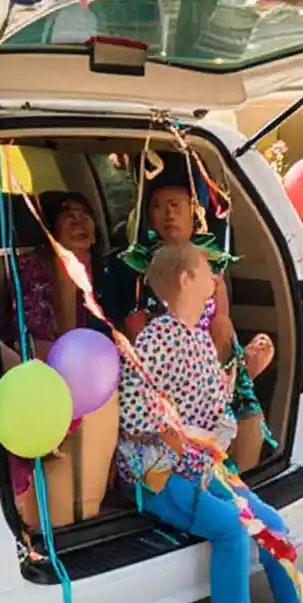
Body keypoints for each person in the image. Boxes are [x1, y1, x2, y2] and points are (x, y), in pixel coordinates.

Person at [116, 242, 303, 603]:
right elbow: (133, 412)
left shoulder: (197, 339)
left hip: (199, 468)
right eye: (204, 271)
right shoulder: (156, 338)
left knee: (276, 529)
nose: (215, 279)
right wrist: (185, 439)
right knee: (232, 531)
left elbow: (214, 404)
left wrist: (249, 367)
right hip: (156, 472)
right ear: (182, 280)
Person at [111, 178, 275, 473]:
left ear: (194, 212)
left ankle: (243, 488)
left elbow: (221, 326)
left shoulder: (211, 272)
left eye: (175, 206)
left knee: (249, 420)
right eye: (158, 207)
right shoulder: (139, 271)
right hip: (166, 376)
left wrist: (222, 370)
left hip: (211, 367)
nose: (167, 214)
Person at [0, 191, 119, 529]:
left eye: (85, 213)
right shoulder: (33, 271)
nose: (78, 220)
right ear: (50, 226)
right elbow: (53, 348)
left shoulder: (110, 274)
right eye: (67, 213)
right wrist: (65, 281)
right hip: (45, 375)